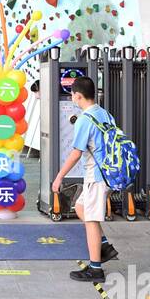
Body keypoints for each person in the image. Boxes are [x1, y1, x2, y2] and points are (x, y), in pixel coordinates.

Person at [50, 76, 120, 283]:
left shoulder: (85, 119)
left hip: (96, 176)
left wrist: (59, 177)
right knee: (81, 208)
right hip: (107, 172)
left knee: (90, 220)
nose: (71, 97)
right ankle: (104, 246)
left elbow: (76, 153)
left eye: (72, 94)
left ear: (78, 96)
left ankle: (95, 268)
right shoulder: (104, 113)